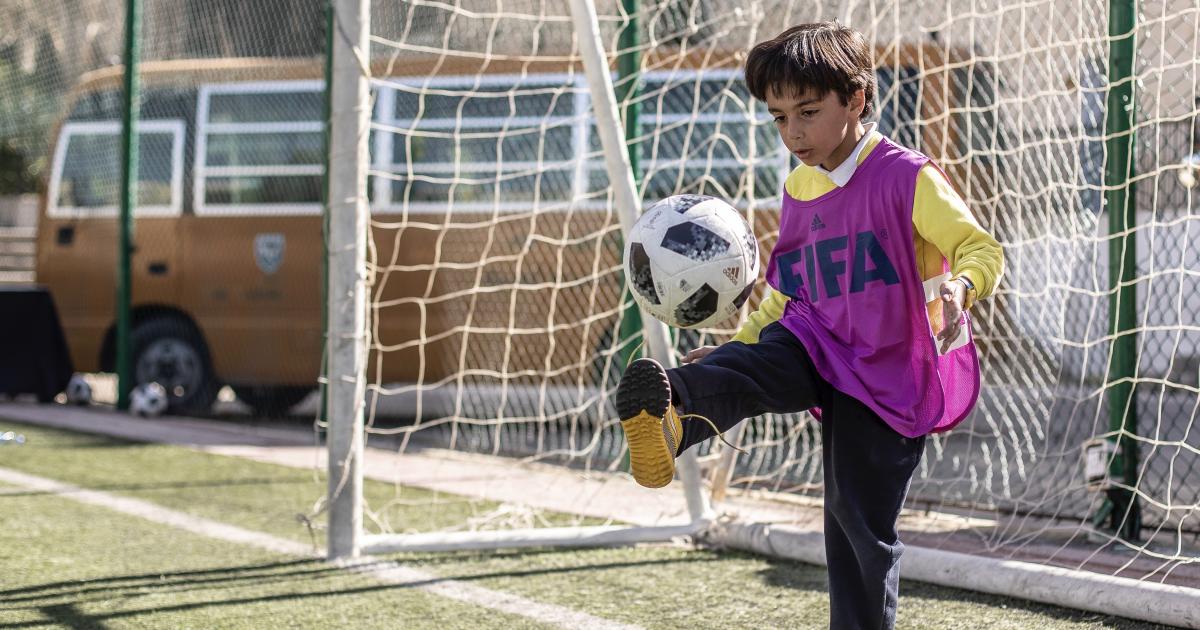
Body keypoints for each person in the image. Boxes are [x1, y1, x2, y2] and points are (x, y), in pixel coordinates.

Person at [615, 21, 1004, 630]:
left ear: (856, 99)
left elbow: (983, 250)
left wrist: (960, 287)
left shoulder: (909, 177)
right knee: (760, 358)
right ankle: (672, 412)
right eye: (778, 118)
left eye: (808, 111)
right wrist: (732, 347)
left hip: (888, 374)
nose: (792, 132)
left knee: (854, 519)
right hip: (816, 339)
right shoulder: (799, 185)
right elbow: (785, 293)